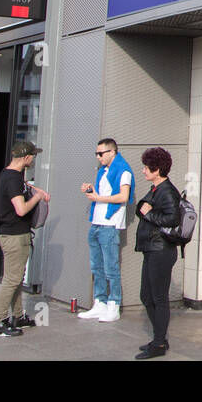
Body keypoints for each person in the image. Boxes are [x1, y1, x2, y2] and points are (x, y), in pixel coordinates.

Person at [0, 141, 49, 337]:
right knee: (12, 280)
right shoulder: (14, 179)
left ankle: (18, 316)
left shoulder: (8, 174)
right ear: (26, 158)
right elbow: (21, 208)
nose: (33, 159)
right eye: (33, 156)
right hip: (15, 236)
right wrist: (38, 198)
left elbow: (22, 187)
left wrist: (38, 191)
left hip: (10, 234)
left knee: (15, 279)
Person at [78, 137, 135, 321]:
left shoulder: (123, 170)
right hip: (96, 223)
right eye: (96, 153)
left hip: (109, 225)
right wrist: (91, 190)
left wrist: (97, 198)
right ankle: (100, 303)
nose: (98, 157)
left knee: (111, 268)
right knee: (97, 267)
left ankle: (113, 305)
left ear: (112, 152)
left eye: (101, 153)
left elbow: (123, 196)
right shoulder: (103, 171)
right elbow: (104, 193)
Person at [134, 147, 182, 359]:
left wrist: (149, 213)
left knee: (158, 297)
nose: (143, 170)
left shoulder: (168, 191)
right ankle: (159, 338)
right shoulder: (155, 188)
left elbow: (173, 220)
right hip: (151, 248)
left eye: (147, 167)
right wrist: (145, 210)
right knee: (146, 295)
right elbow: (141, 208)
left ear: (157, 169)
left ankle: (159, 343)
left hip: (161, 250)